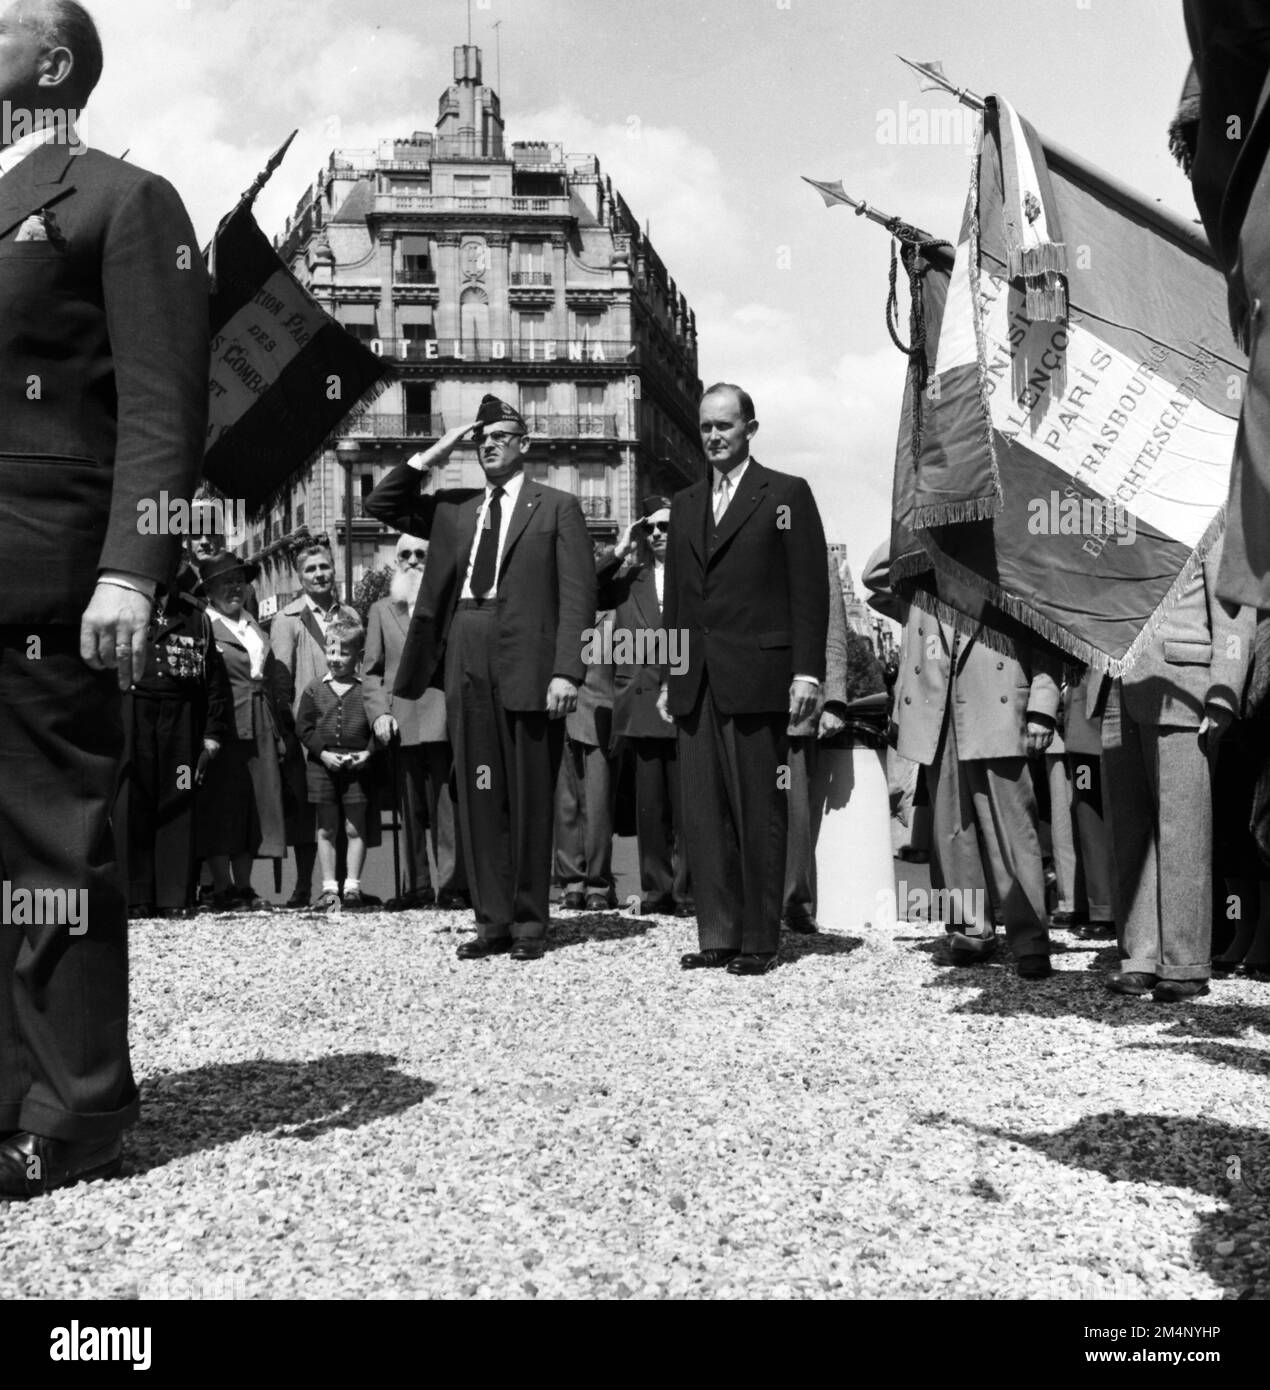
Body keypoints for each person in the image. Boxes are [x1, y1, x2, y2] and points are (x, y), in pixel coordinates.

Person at [0, 0, 209, 1197]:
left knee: (53, 842)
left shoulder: (123, 202)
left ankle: (76, 1110)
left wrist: (134, 566)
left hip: (51, 575)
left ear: (55, 59)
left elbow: (166, 403)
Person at [363, 394, 595, 961]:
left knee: (530, 791)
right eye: (480, 438)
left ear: (525, 443)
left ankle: (530, 926)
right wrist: (435, 452)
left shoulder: (557, 506)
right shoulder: (454, 509)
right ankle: (491, 922)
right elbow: (383, 500)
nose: (488, 444)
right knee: (480, 789)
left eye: (500, 435)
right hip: (465, 646)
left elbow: (578, 597)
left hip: (531, 660)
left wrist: (568, 670)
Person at [662, 383, 829, 976]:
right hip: (696, 682)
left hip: (760, 674)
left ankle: (760, 939)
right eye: (705, 427)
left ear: (750, 429)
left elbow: (810, 591)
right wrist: (670, 673)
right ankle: (719, 934)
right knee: (705, 814)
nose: (712, 437)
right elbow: (677, 601)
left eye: (724, 427)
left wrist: (807, 672)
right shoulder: (683, 503)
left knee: (761, 809)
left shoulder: (784, 494)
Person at [864, 547, 1061, 980]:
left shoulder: (1012, 563)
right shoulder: (918, 577)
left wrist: (1043, 708)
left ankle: (1030, 940)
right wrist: (915, 520)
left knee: (1014, 833)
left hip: (999, 711)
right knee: (954, 832)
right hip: (938, 718)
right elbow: (875, 574)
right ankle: (972, 931)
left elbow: (1049, 639)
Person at [1099, 534, 1252, 1002]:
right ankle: (1141, 956)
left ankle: (1184, 963)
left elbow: (1234, 606)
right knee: (1130, 833)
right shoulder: (1109, 522)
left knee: (1183, 831)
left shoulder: (1206, 511)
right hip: (1115, 685)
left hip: (1182, 685)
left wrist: (1225, 689)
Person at [113, 557, 233, 918]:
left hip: (181, 719)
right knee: (133, 801)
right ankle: (135, 896)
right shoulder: (124, 606)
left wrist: (212, 735)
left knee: (178, 799)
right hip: (133, 712)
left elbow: (214, 680)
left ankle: (174, 895)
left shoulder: (196, 615)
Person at [596, 497, 693, 916]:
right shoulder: (629, 579)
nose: (656, 534)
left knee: (689, 805)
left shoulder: (697, 578)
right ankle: (657, 891)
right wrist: (619, 548)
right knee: (650, 807)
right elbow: (586, 587)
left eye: (665, 527)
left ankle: (690, 892)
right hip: (640, 702)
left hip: (686, 699)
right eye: (649, 528)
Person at [363, 535, 468, 910]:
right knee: (408, 810)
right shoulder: (380, 610)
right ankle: (416, 886)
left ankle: (452, 885)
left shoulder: (449, 606)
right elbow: (371, 671)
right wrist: (379, 713)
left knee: (446, 807)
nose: (411, 561)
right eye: (404, 555)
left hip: (441, 715)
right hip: (401, 720)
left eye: (420, 554)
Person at [269, 537, 362, 907]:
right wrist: (295, 733)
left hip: (350, 727)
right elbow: (281, 683)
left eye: (324, 566)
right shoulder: (287, 618)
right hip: (308, 732)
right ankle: (304, 887)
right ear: (299, 577)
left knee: (349, 809)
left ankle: (345, 886)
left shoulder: (351, 616)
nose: (319, 574)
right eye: (310, 569)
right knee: (310, 813)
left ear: (334, 569)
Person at [194, 553, 290, 911]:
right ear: (209, 590)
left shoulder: (254, 625)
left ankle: (245, 886)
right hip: (226, 722)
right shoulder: (205, 624)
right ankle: (221, 886)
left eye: (239, 580)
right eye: (225, 581)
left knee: (255, 804)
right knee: (222, 805)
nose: (235, 587)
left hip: (261, 721)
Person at [296, 616, 376, 912]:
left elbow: (377, 727)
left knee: (355, 828)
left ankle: (352, 888)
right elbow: (303, 728)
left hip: (357, 768)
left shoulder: (367, 688)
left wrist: (367, 753)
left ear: (358, 656)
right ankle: (330, 891)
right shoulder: (314, 688)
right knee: (326, 829)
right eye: (331, 651)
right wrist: (323, 753)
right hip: (322, 767)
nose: (336, 659)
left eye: (344, 653)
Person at [554, 610, 617, 911]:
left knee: (597, 803)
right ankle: (572, 884)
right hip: (556, 713)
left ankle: (598, 885)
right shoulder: (557, 601)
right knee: (564, 804)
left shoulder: (617, 611)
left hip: (599, 714)